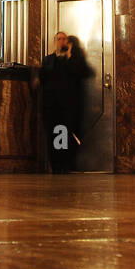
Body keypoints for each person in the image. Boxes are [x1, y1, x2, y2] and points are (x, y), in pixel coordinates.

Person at [41, 31, 93, 173]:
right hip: (51, 105)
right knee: (53, 135)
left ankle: (65, 164)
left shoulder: (73, 60)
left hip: (67, 105)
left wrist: (70, 55)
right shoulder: (48, 60)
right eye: (59, 39)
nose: (62, 41)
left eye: (65, 39)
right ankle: (56, 165)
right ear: (55, 41)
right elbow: (43, 78)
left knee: (64, 134)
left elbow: (82, 73)